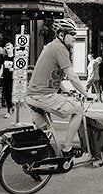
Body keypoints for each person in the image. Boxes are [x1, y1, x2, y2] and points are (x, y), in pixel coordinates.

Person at [25, 18, 93, 162]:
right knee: (78, 110)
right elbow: (73, 77)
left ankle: (37, 161)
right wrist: (86, 94)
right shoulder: (60, 49)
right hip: (43, 96)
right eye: (72, 34)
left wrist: (65, 90)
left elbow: (52, 74)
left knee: (45, 132)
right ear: (62, 34)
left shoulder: (51, 46)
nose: (75, 37)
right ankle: (68, 149)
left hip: (32, 96)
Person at [0, 41, 15, 119]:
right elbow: (2, 68)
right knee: (5, 93)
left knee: (10, 93)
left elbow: (19, 68)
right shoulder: (4, 58)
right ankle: (11, 106)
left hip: (13, 78)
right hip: (6, 77)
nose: (9, 50)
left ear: (13, 48)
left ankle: (9, 110)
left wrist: (13, 69)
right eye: (7, 48)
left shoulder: (15, 58)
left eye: (10, 48)